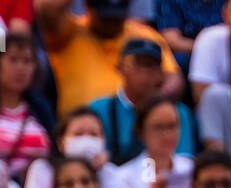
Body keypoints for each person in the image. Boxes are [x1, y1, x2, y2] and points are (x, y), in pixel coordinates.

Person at [36, 0, 183, 116]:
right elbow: (46, 9)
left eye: (116, 17)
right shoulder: (68, 32)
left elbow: (174, 78)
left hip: (134, 127)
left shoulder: (144, 35)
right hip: (81, 129)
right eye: (105, 17)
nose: (111, 23)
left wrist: (152, 104)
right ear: (87, 6)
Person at [89, 39, 197, 166]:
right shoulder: (98, 109)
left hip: (161, 179)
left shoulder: (177, 112)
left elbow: (184, 163)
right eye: (137, 63)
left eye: (152, 65)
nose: (145, 72)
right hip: (112, 181)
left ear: (161, 73)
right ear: (120, 68)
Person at [0, 32, 55, 182]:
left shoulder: (41, 108)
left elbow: (56, 151)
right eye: (13, 60)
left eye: (27, 61)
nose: (21, 68)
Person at [20, 108, 127, 188]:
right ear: (61, 142)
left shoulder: (110, 173)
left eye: (93, 134)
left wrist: (93, 171)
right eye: (78, 134)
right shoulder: (43, 169)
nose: (86, 140)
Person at [114, 97, 196, 188]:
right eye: (158, 127)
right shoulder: (124, 176)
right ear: (141, 132)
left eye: (172, 126)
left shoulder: (192, 167)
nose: (167, 135)